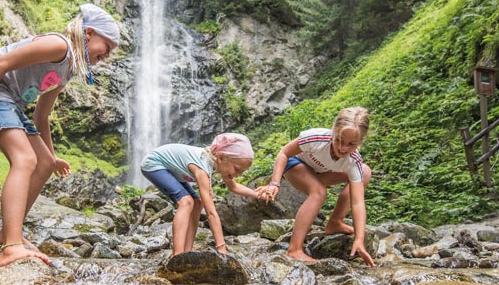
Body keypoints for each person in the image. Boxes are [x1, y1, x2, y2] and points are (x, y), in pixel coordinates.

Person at [0, 3, 120, 267]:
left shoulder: (69, 67)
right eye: (107, 47)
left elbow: (41, 115)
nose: (107, 55)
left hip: (11, 101)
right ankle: (11, 247)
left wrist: (51, 156)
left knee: (44, 163)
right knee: (25, 160)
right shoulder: (58, 45)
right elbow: (1, 63)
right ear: (89, 34)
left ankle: (7, 233)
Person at [258, 107, 375, 266]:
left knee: (365, 172)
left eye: (351, 144)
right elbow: (284, 153)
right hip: (294, 165)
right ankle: (294, 250)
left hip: (320, 172)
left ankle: (335, 222)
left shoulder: (353, 160)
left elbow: (357, 202)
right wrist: (274, 183)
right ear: (333, 131)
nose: (343, 148)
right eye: (339, 140)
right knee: (319, 192)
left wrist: (360, 239)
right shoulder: (316, 138)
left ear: (361, 141)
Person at [141, 133, 261, 256]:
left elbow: (234, 186)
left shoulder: (218, 163)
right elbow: (211, 213)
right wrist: (221, 247)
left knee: (197, 203)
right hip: (154, 164)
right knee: (186, 202)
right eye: (237, 169)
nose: (239, 174)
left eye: (242, 171)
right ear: (220, 157)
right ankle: (177, 255)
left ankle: (187, 251)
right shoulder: (202, 169)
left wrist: (257, 194)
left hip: (173, 170)